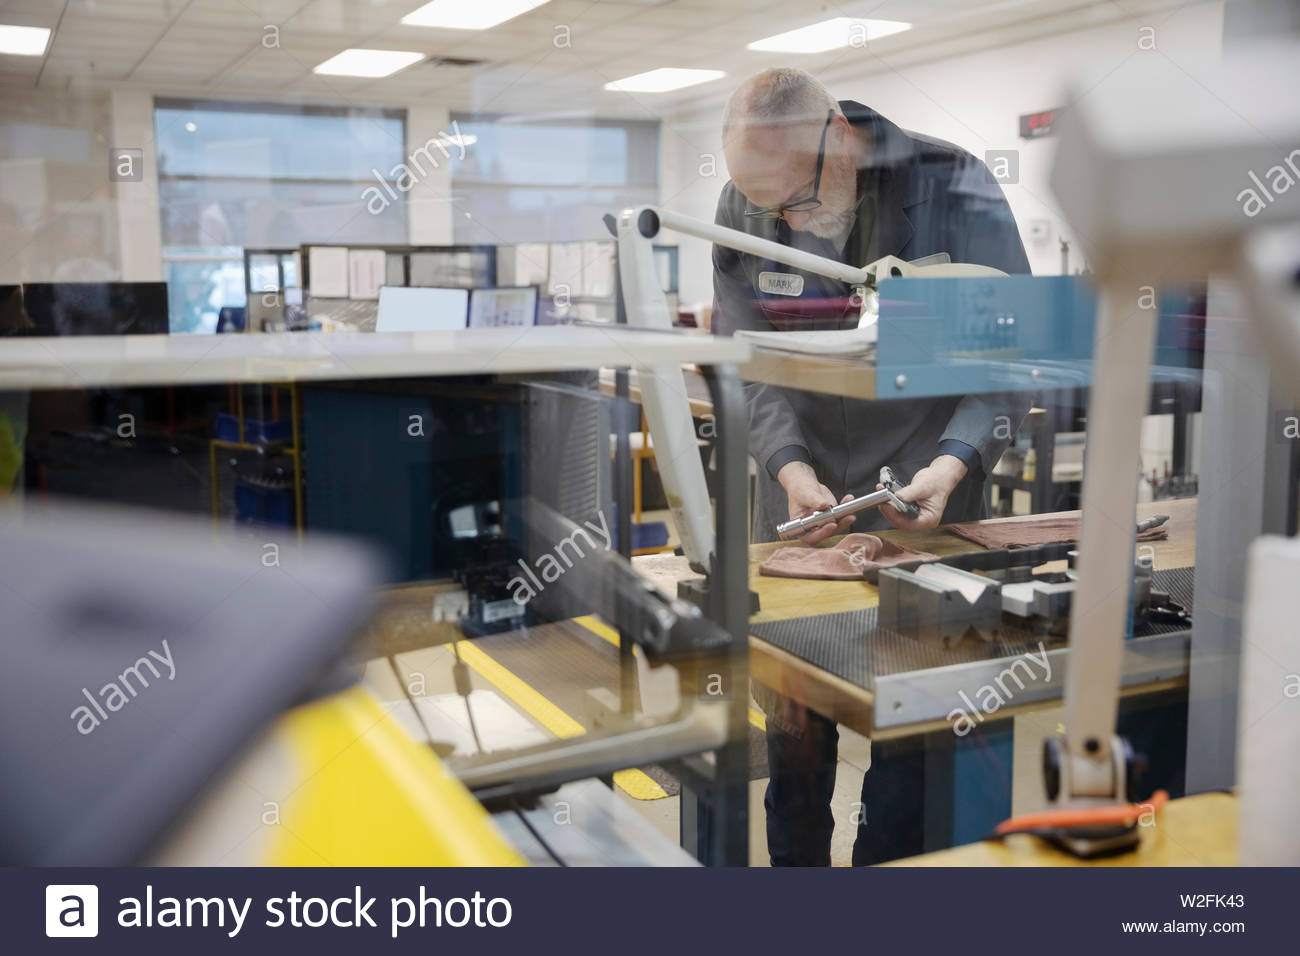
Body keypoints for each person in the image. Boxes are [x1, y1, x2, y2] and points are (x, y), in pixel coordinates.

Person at [711, 67, 1031, 865]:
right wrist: (787, 467)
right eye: (765, 209)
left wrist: (956, 461)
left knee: (913, 743)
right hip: (802, 500)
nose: (783, 222)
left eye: (795, 200)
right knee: (795, 738)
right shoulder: (743, 204)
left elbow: (1014, 358)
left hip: (930, 497)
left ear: (840, 140)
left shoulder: (956, 185)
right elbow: (750, 366)